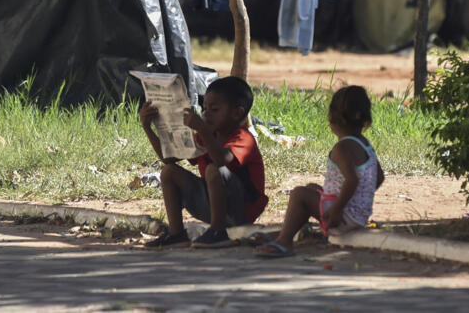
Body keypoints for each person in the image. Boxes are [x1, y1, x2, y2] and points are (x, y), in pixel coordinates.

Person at [255, 85, 385, 258]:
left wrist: (338, 209)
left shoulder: (342, 148)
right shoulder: (365, 144)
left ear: (331, 118)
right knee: (311, 188)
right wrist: (359, 199)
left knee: (299, 194)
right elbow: (379, 177)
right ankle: (288, 230)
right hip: (358, 216)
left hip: (343, 218)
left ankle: (284, 241)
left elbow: (352, 180)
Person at [140, 76, 268, 249]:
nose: (206, 114)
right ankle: (176, 234)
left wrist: (202, 129)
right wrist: (148, 128)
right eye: (205, 108)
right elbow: (168, 157)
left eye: (214, 109)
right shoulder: (207, 134)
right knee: (169, 171)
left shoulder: (243, 138)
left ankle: (218, 232)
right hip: (211, 204)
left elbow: (221, 159)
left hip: (242, 209)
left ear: (237, 113)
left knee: (213, 169)